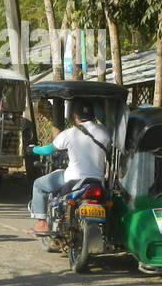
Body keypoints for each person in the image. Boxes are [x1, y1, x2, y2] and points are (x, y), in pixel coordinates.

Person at [28, 99, 110, 234]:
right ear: (92, 115)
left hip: (74, 179)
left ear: (75, 116)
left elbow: (48, 150)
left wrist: (33, 150)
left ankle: (41, 224)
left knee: (39, 184)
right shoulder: (104, 132)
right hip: (98, 181)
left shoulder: (69, 133)